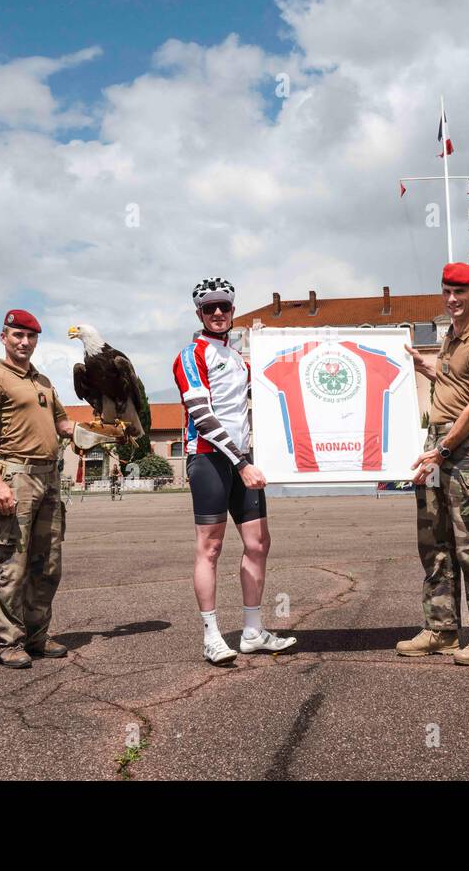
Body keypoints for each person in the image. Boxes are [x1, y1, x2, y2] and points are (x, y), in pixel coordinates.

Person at [173, 276, 297, 665]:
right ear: (199, 313)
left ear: (232, 310)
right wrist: (241, 463)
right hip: (210, 459)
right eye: (209, 307)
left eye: (223, 306)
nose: (217, 313)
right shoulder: (190, 355)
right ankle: (211, 636)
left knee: (259, 543)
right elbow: (202, 415)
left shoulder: (240, 360)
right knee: (209, 548)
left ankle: (252, 631)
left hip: (243, 460)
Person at [397, 263, 469, 665]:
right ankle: (442, 628)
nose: (452, 299)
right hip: (438, 445)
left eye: (460, 292)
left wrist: (442, 449)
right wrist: (415, 362)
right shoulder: (452, 336)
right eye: (447, 291)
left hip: (463, 451)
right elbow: (447, 380)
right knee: (435, 542)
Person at [0, 309, 76, 668]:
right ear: (4, 338)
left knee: (47, 563)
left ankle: (36, 636)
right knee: (11, 564)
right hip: (16, 477)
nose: (24, 342)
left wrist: (99, 431)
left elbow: (63, 424)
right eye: (17, 336)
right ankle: (7, 642)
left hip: (49, 478)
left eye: (30, 337)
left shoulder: (43, 381)